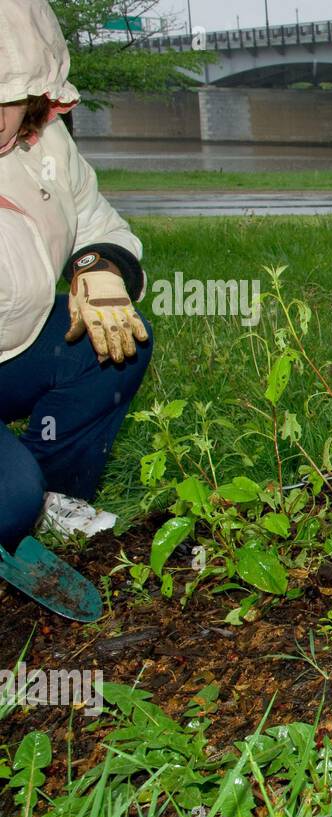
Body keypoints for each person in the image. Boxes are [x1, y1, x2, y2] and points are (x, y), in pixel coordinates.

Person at [0, 0, 152, 554]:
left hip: (11, 348)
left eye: (9, 94)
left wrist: (99, 269)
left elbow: (97, 222)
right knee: (7, 502)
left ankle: (52, 497)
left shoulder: (46, 145)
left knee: (117, 341)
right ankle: (21, 498)